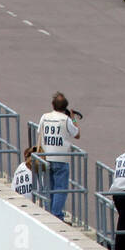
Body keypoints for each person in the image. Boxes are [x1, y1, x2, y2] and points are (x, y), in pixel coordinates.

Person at [36, 92, 81, 220]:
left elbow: (40, 131)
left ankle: (48, 213)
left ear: (52, 105)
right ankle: (56, 215)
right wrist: (73, 118)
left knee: (48, 187)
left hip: (45, 156)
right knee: (60, 188)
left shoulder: (44, 117)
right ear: (65, 107)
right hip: (61, 158)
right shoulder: (66, 119)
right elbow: (77, 134)